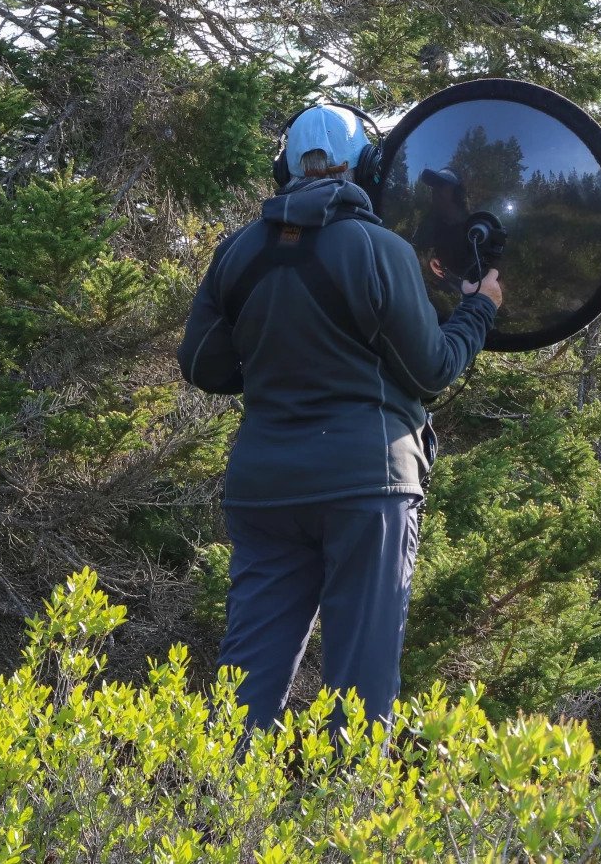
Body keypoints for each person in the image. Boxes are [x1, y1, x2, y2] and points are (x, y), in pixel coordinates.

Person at [178, 104, 502, 736]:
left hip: (265, 487)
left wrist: (278, 363)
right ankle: (347, 827)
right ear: (367, 168)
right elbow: (434, 368)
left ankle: (218, 820)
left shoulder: (237, 253)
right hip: (367, 484)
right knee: (361, 682)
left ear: (285, 168)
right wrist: (478, 311)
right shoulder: (379, 249)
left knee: (245, 683)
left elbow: (201, 364)